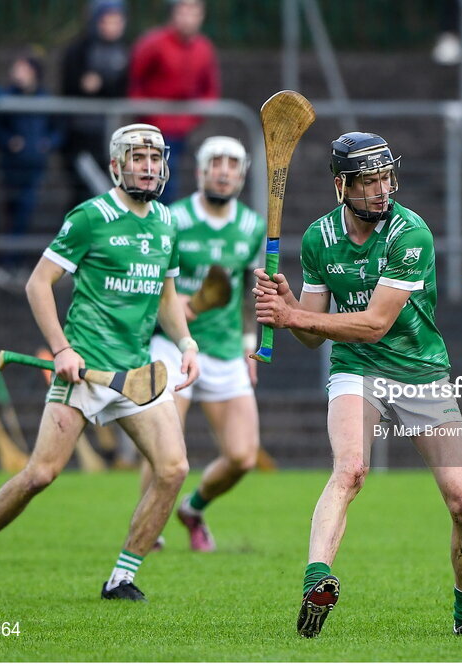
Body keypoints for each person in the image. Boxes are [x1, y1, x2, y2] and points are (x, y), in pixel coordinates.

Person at [0, 123, 200, 603]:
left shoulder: (166, 222)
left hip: (135, 373)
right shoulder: (90, 217)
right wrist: (61, 350)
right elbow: (38, 283)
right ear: (117, 165)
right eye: (139, 158)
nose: (149, 167)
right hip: (84, 370)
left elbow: (167, 295)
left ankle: (122, 578)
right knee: (40, 474)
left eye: (155, 159)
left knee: (174, 468)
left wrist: (186, 344)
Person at [253, 132, 462, 637]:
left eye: (386, 178)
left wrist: (295, 314)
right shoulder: (320, 238)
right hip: (356, 368)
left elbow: (375, 323)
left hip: (419, 371)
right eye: (368, 182)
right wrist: (287, 310)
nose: (382, 191)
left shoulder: (411, 234)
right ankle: (316, 581)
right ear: (341, 186)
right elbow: (311, 338)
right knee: (351, 469)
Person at [145, 136, 265, 552]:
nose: (225, 171)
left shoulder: (252, 226)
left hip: (227, 346)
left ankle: (192, 509)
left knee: (242, 456)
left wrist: (251, 343)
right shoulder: (172, 218)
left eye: (233, 165)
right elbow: (152, 283)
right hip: (174, 345)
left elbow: (250, 290)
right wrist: (177, 304)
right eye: (217, 163)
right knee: (166, 443)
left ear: (242, 174)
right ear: (200, 171)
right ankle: (150, 526)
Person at [129, 0, 220, 203]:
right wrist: (149, 112)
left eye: (194, 12)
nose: (188, 18)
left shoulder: (204, 48)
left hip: (187, 128)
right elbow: (134, 81)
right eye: (184, 11)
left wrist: (194, 116)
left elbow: (210, 89)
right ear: (173, 13)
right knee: (158, 183)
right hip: (155, 127)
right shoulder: (154, 43)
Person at [0, 51, 64, 289]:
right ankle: (11, 261)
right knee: (13, 213)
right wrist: (9, 141)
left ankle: (12, 261)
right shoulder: (5, 97)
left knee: (24, 212)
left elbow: (58, 128)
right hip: (10, 167)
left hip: (34, 167)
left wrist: (47, 143)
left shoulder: (45, 99)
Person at [60, 0, 130, 206]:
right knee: (84, 190)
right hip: (79, 134)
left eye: (117, 21)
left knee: (104, 190)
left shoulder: (123, 52)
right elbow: (72, 85)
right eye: (107, 20)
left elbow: (121, 88)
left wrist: (100, 85)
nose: (112, 26)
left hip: (108, 134)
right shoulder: (79, 50)